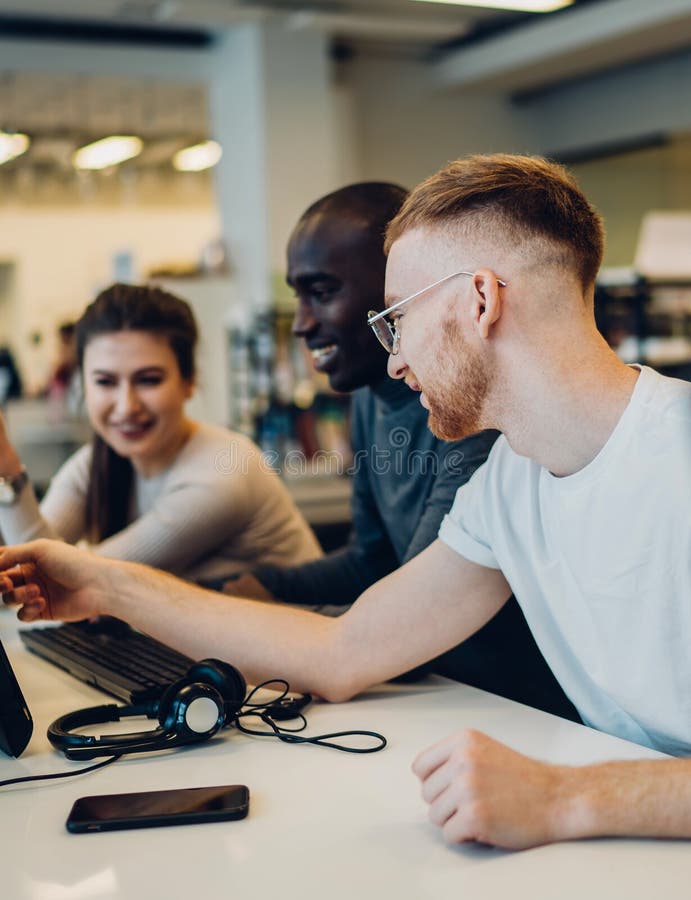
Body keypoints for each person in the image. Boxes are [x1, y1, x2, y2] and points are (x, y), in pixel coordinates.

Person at [2, 154, 691, 850]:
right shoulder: (506, 483)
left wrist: (566, 797)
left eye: (395, 319)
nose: (390, 360)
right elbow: (343, 650)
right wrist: (105, 585)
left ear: (479, 300)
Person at [226, 181, 576, 720]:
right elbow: (376, 563)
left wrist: (252, 614)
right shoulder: (377, 404)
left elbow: (392, 634)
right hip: (445, 704)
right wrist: (260, 591)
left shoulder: (480, 425)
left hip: (504, 711)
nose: (301, 323)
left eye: (397, 314)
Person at [0, 283, 322, 581]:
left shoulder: (223, 472)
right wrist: (5, 471)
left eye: (149, 379)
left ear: (189, 380)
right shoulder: (99, 460)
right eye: (105, 382)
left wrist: (7, 465)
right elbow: (28, 566)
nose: (126, 406)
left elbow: (67, 582)